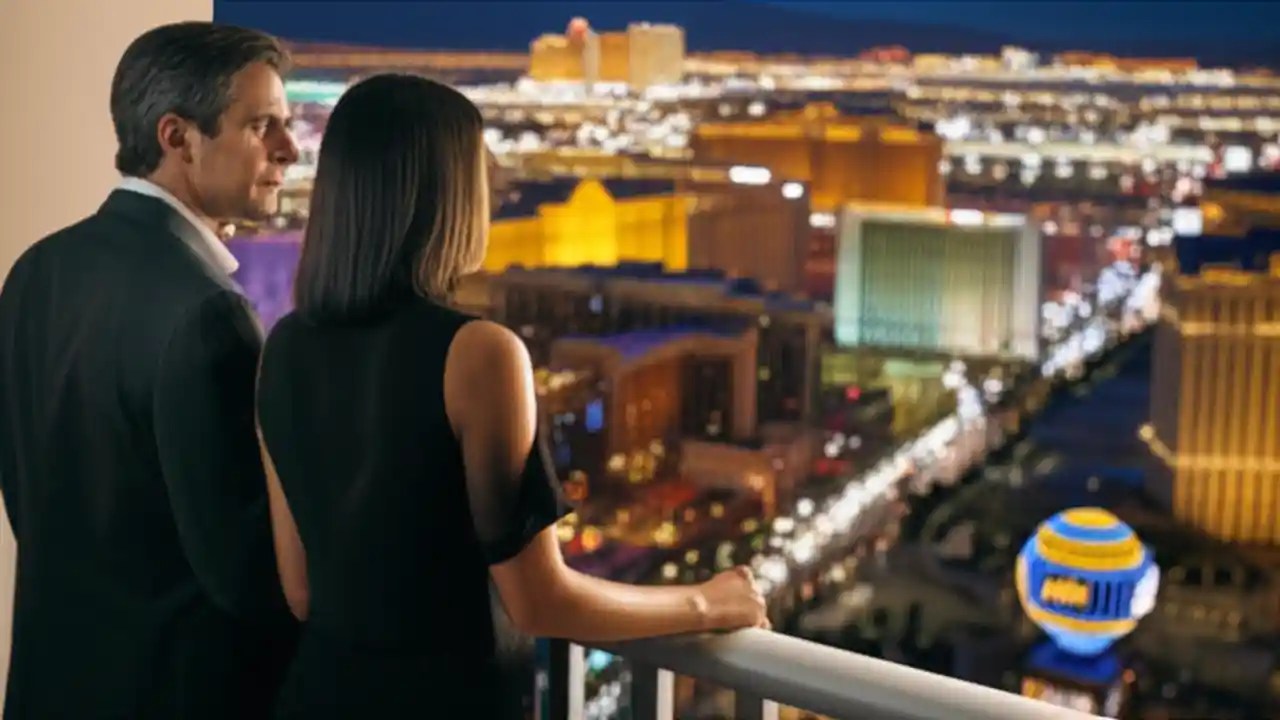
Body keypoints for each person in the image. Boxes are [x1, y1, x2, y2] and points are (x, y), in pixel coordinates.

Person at [254, 74, 769, 719]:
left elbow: (301, 589)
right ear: (446, 197)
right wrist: (709, 603)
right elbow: (539, 600)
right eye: (479, 173)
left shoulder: (284, 346)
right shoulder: (478, 354)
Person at [0, 22, 301, 720]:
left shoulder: (37, 271)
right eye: (262, 126)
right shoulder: (207, 312)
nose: (289, 149)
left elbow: (33, 501)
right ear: (177, 137)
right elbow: (244, 573)